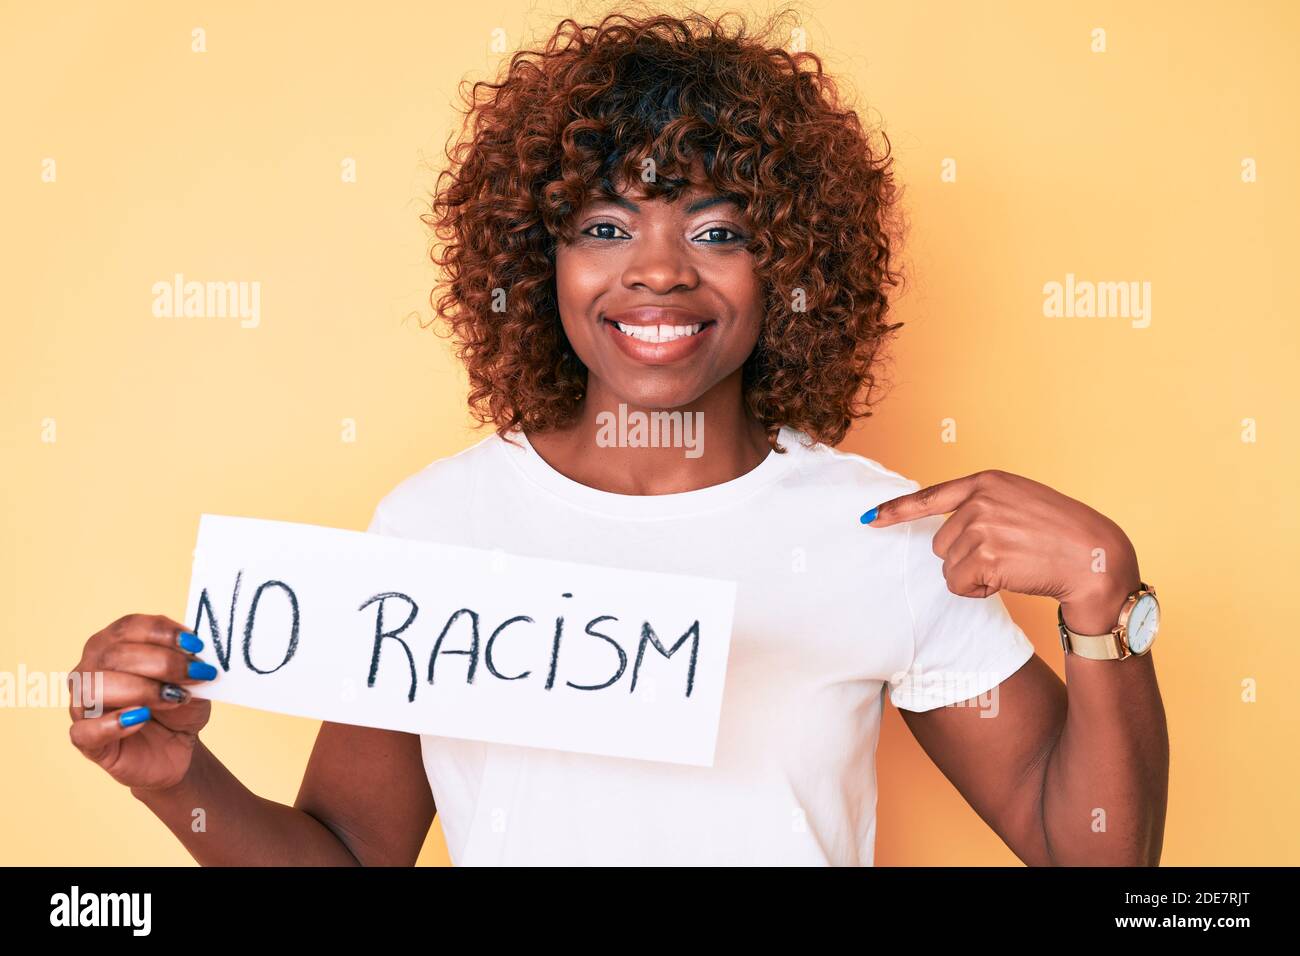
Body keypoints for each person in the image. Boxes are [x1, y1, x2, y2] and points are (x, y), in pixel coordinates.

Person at [67, 9, 1168, 866]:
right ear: (532, 260)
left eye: (717, 229)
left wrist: (1103, 597)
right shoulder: (436, 526)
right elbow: (352, 853)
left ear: (788, 264)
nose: (656, 268)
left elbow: (1093, 849)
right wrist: (176, 779)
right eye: (603, 225)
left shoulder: (882, 530)